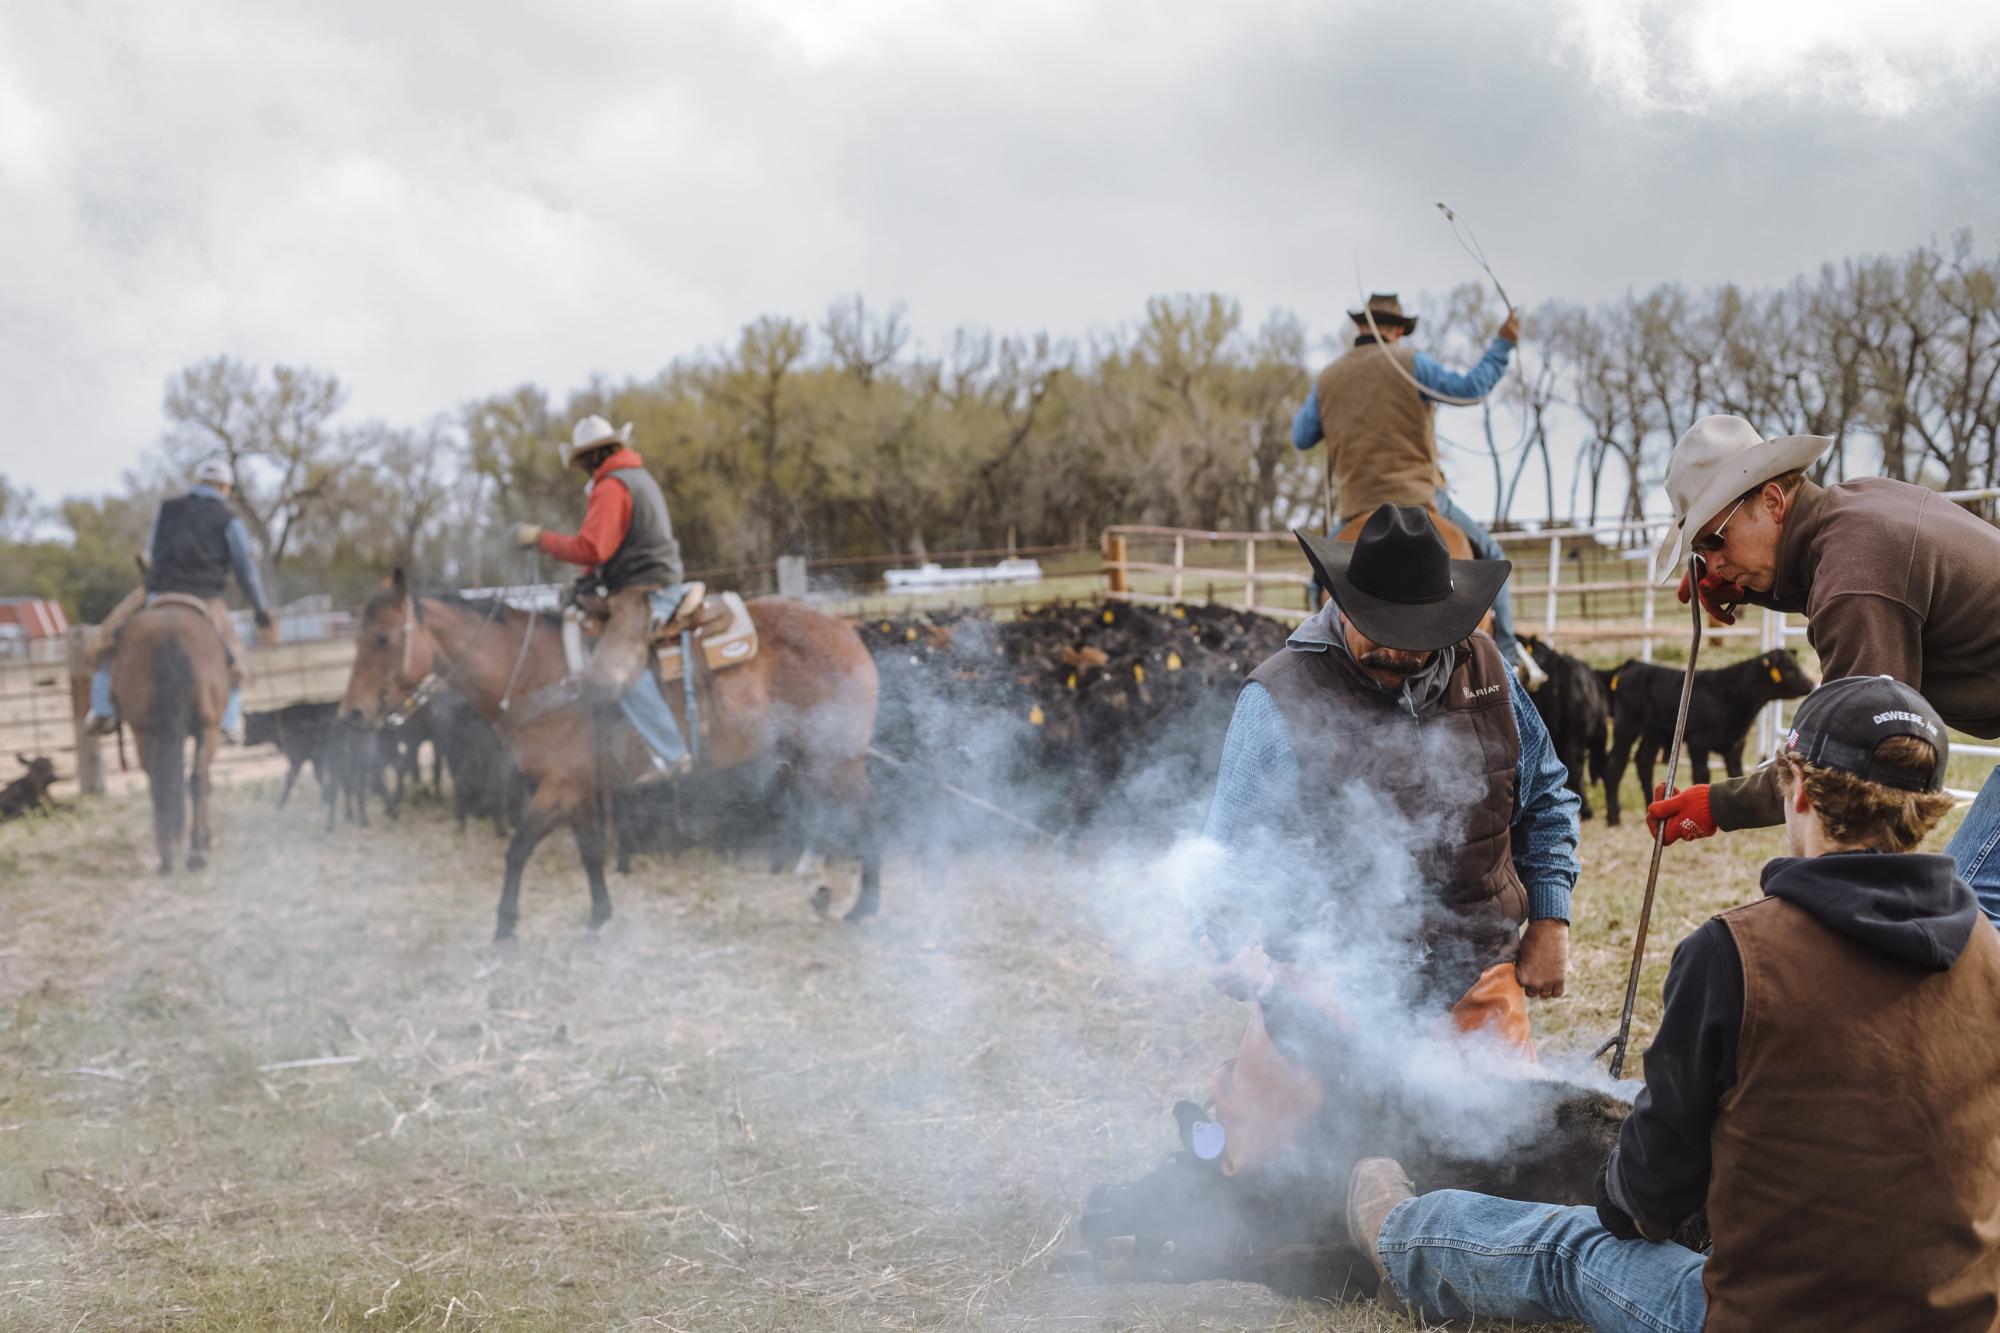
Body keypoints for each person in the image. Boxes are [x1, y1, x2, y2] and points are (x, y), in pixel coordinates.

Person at [1342, 674, 2000, 1332]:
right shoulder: (1987, 950)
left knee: (1572, 1248)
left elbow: (1648, 1198)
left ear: (1795, 787)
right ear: (1930, 806)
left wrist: (1620, 1195)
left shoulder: (1735, 952)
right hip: (1958, 1313)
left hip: (1774, 1315)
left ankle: (1402, 1234)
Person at [1194, 502, 1578, 1176]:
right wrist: (1222, 939)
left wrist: (1550, 916)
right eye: (1382, 630)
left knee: (1516, 1166)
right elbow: (1227, 854)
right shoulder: (1278, 697)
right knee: (1259, 1171)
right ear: (1338, 604)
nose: (1400, 649)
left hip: (1471, 967)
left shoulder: (1488, 670)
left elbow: (1546, 798)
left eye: (1418, 632)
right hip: (1326, 981)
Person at [1642, 413, 2000, 924]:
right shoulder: (1853, 511)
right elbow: (1845, 581)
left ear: (1771, 501)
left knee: (1964, 926)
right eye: (1698, 553)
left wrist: (1720, 804)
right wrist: (1754, 589)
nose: (1711, 565)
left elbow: (1850, 756)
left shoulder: (1858, 570)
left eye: (1714, 542)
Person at [1291, 292, 1538, 681]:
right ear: (1396, 330)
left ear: (1361, 326)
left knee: (1318, 581)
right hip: (1421, 495)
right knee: (1490, 553)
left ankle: (1318, 661)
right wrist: (1503, 342)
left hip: (1358, 504)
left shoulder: (1328, 378)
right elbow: (1471, 387)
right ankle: (1507, 659)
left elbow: (1301, 436)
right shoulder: (1409, 364)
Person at [511, 415, 699, 775]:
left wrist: (540, 538)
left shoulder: (612, 485)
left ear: (591, 457)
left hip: (644, 591)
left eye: (581, 462)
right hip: (645, 583)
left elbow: (593, 547)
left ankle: (675, 755)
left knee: (610, 674)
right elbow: (606, 549)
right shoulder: (633, 478)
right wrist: (585, 581)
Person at [84, 458, 273, 742]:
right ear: (225, 487)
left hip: (158, 591)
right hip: (205, 597)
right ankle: (229, 722)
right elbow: (245, 568)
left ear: (198, 483)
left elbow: (151, 552)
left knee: (106, 640)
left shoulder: (167, 509)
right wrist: (260, 608)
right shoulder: (229, 519)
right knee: (234, 657)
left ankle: (102, 709)